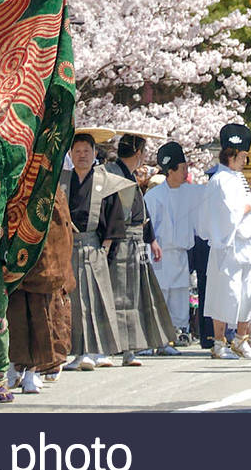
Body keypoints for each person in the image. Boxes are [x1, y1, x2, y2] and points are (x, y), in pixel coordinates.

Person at [103, 134, 173, 365]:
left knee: (133, 295)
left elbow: (141, 211)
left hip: (134, 239)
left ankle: (130, 347)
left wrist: (151, 239)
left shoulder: (129, 174)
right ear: (138, 153)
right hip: (119, 239)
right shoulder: (112, 172)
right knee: (118, 295)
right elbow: (110, 210)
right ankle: (112, 347)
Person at [63, 131, 129, 371]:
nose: (82, 156)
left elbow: (114, 218)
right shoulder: (63, 181)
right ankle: (78, 351)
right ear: (70, 154)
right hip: (69, 246)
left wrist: (105, 248)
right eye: (77, 152)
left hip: (94, 246)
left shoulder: (105, 181)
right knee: (74, 302)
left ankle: (99, 350)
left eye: (86, 152)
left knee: (97, 299)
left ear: (94, 154)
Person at [6, 178, 75, 394]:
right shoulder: (12, 176)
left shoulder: (51, 186)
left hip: (44, 256)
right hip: (11, 249)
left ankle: (32, 371)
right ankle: (12, 366)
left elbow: (62, 228)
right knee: (12, 315)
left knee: (40, 315)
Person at [202, 123, 251, 360]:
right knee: (226, 292)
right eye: (243, 156)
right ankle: (219, 342)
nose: (246, 160)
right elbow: (228, 214)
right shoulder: (220, 180)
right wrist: (249, 204)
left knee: (248, 291)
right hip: (227, 244)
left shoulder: (237, 178)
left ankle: (241, 337)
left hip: (245, 243)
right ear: (233, 155)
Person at [146, 142, 201, 348]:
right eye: (183, 168)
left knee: (179, 292)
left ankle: (175, 334)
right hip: (160, 254)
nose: (186, 172)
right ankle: (156, 339)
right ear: (170, 171)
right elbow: (147, 227)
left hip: (180, 254)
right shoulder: (153, 196)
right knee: (161, 293)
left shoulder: (191, 192)